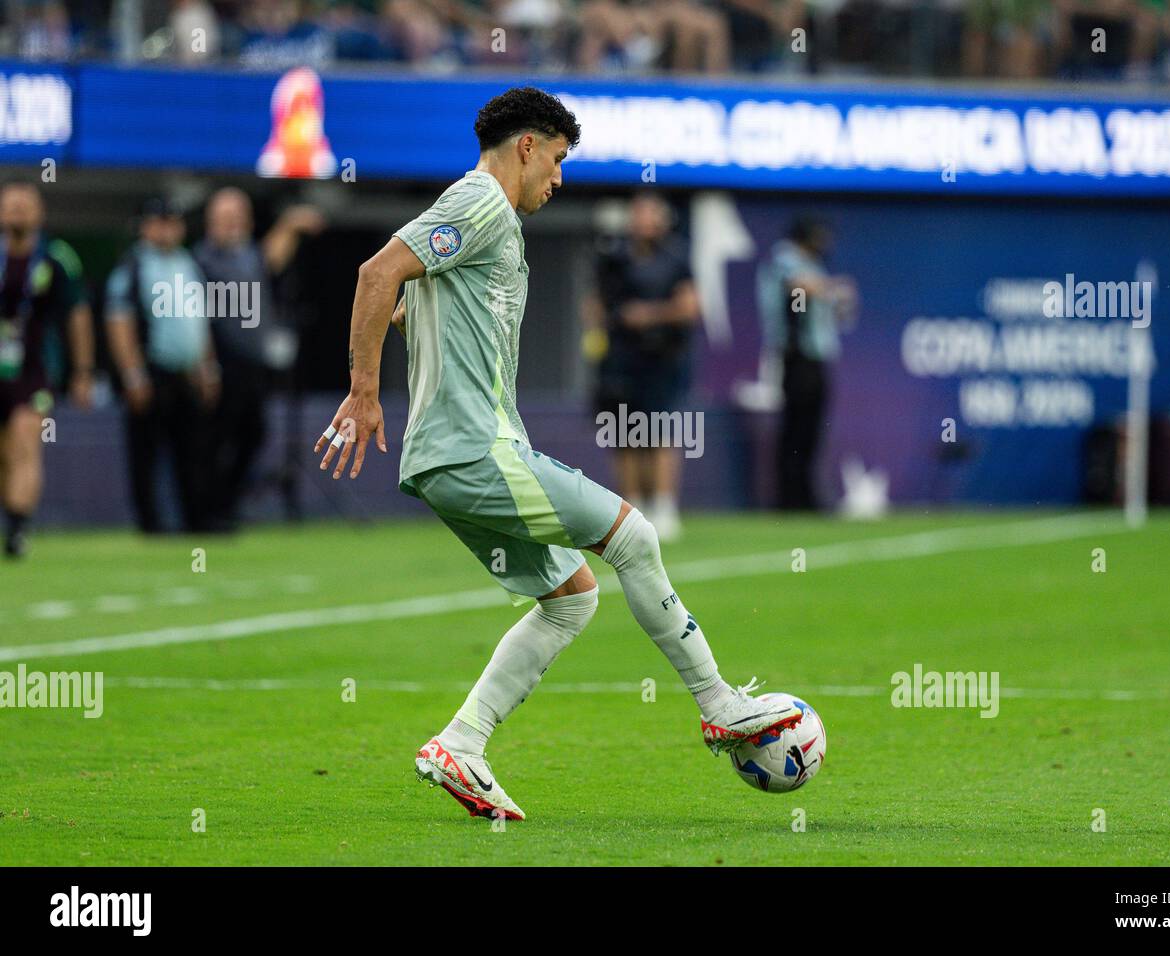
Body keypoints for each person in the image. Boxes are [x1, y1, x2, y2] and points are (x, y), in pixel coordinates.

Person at [315, 87, 802, 822]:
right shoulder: (479, 201)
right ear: (527, 147)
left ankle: (462, 744)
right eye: (560, 159)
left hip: (451, 461)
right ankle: (718, 705)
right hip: (477, 449)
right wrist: (363, 389)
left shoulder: (488, 226)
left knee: (571, 598)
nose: (560, 178)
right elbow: (376, 274)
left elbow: (409, 298)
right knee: (634, 537)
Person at [194, 188, 324, 527]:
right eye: (227, 217)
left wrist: (290, 226)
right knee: (217, 439)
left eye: (239, 217)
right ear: (211, 221)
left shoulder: (246, 254)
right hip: (221, 364)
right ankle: (210, 512)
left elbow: (268, 259)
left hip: (250, 367)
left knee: (253, 433)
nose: (234, 224)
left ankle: (226, 505)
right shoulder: (204, 259)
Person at [585, 192, 699, 541]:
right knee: (624, 434)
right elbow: (594, 304)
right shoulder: (613, 257)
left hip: (662, 358)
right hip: (621, 359)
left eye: (649, 214)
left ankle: (664, 507)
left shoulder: (676, 258)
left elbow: (691, 308)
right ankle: (632, 508)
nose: (642, 221)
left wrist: (649, 316)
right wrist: (597, 337)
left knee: (661, 431)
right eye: (637, 214)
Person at [105, 197, 222, 534]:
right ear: (145, 227)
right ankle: (150, 524)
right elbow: (119, 321)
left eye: (172, 222)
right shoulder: (134, 266)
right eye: (159, 222)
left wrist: (208, 367)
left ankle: (195, 520)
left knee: (191, 449)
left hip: (187, 372)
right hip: (152, 370)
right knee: (146, 451)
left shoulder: (188, 264)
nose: (167, 229)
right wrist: (133, 373)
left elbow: (199, 320)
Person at [0, 181, 94, 558]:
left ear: (40, 213)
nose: (18, 211)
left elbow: (78, 315)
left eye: (26, 205)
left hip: (34, 370)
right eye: (11, 205)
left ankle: (18, 531)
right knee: (5, 454)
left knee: (26, 442)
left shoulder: (56, 257)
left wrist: (83, 370)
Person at [757, 216, 856, 511]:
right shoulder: (785, 259)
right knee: (795, 427)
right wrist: (836, 288)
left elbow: (834, 309)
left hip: (816, 356)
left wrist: (839, 301)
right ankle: (790, 498)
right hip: (796, 355)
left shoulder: (814, 266)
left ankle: (806, 495)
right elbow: (801, 286)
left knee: (811, 429)